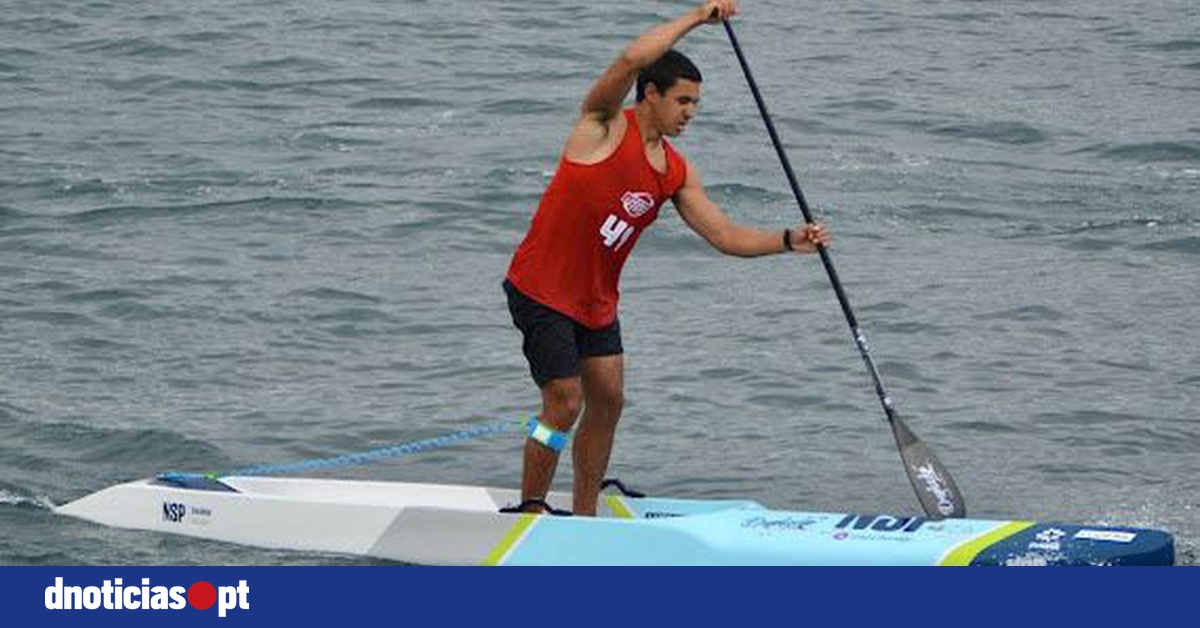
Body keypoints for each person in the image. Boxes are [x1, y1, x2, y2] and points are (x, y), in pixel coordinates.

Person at [503, 0, 831, 516]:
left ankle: (583, 515)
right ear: (650, 94)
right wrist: (700, 17)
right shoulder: (602, 126)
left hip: (595, 301)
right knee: (565, 402)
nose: (690, 113)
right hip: (541, 288)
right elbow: (631, 59)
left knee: (608, 402)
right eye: (683, 100)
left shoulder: (675, 171)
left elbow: (723, 234)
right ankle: (530, 507)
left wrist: (790, 240)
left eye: (697, 103)